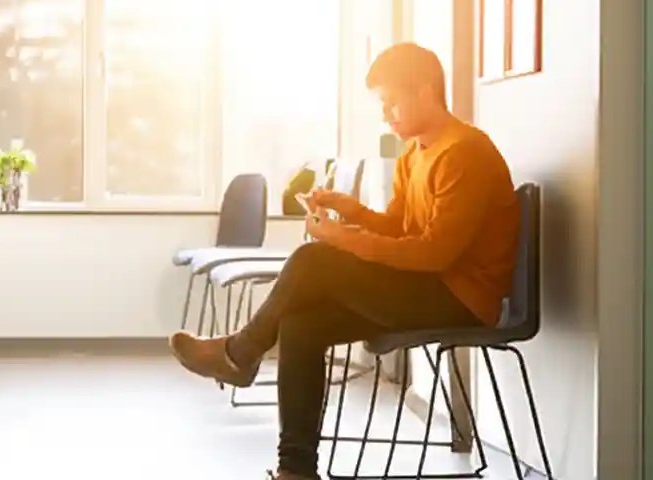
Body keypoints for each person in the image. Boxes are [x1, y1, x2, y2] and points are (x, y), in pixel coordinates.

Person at [170, 42, 520, 480]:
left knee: (315, 260)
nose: (385, 114)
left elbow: (435, 253)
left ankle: (241, 351)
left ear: (426, 91)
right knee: (302, 323)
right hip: (427, 287)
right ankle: (295, 470)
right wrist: (350, 211)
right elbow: (400, 227)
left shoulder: (464, 152)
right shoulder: (415, 152)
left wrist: (344, 239)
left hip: (461, 298)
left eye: (392, 101)